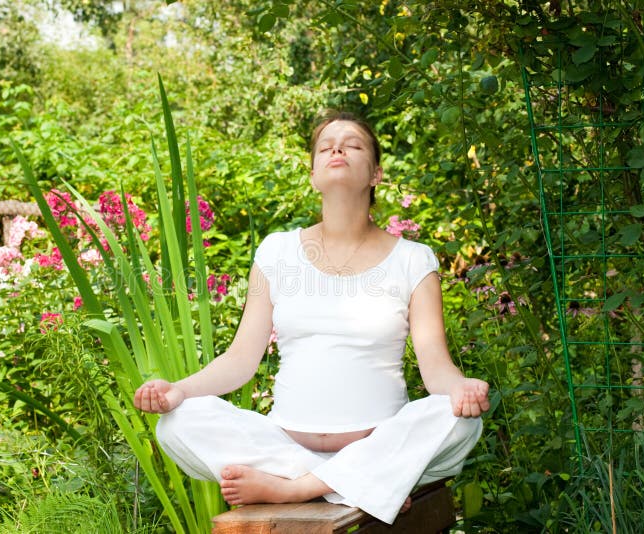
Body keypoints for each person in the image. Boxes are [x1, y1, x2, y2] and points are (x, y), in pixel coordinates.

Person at [133, 110, 490, 525]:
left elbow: (435, 369)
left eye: (353, 144)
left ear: (375, 174)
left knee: (460, 422)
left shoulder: (413, 259)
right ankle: (356, 485)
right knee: (176, 423)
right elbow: (240, 359)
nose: (338, 148)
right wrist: (178, 390)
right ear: (313, 174)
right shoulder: (276, 252)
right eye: (326, 146)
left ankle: (303, 487)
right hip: (285, 447)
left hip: (379, 442)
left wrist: (462, 388)